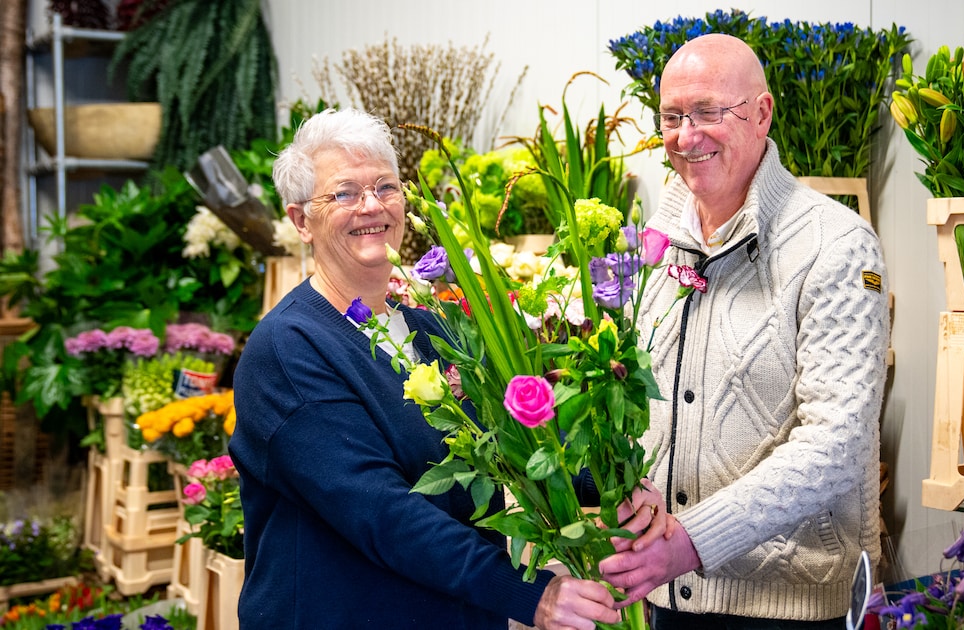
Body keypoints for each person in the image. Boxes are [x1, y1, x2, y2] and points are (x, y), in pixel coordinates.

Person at [229, 107, 622, 629]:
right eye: (344, 193)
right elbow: (379, 511)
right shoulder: (289, 349)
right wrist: (529, 593)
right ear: (301, 220)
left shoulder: (432, 330)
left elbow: (509, 449)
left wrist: (618, 482)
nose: (372, 206)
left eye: (386, 187)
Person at [598, 33, 890, 629]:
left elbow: (837, 443)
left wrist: (692, 540)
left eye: (708, 112)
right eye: (673, 117)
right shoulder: (650, 246)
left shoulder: (836, 246)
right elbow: (626, 399)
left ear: (762, 114)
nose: (686, 136)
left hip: (790, 608)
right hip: (667, 599)